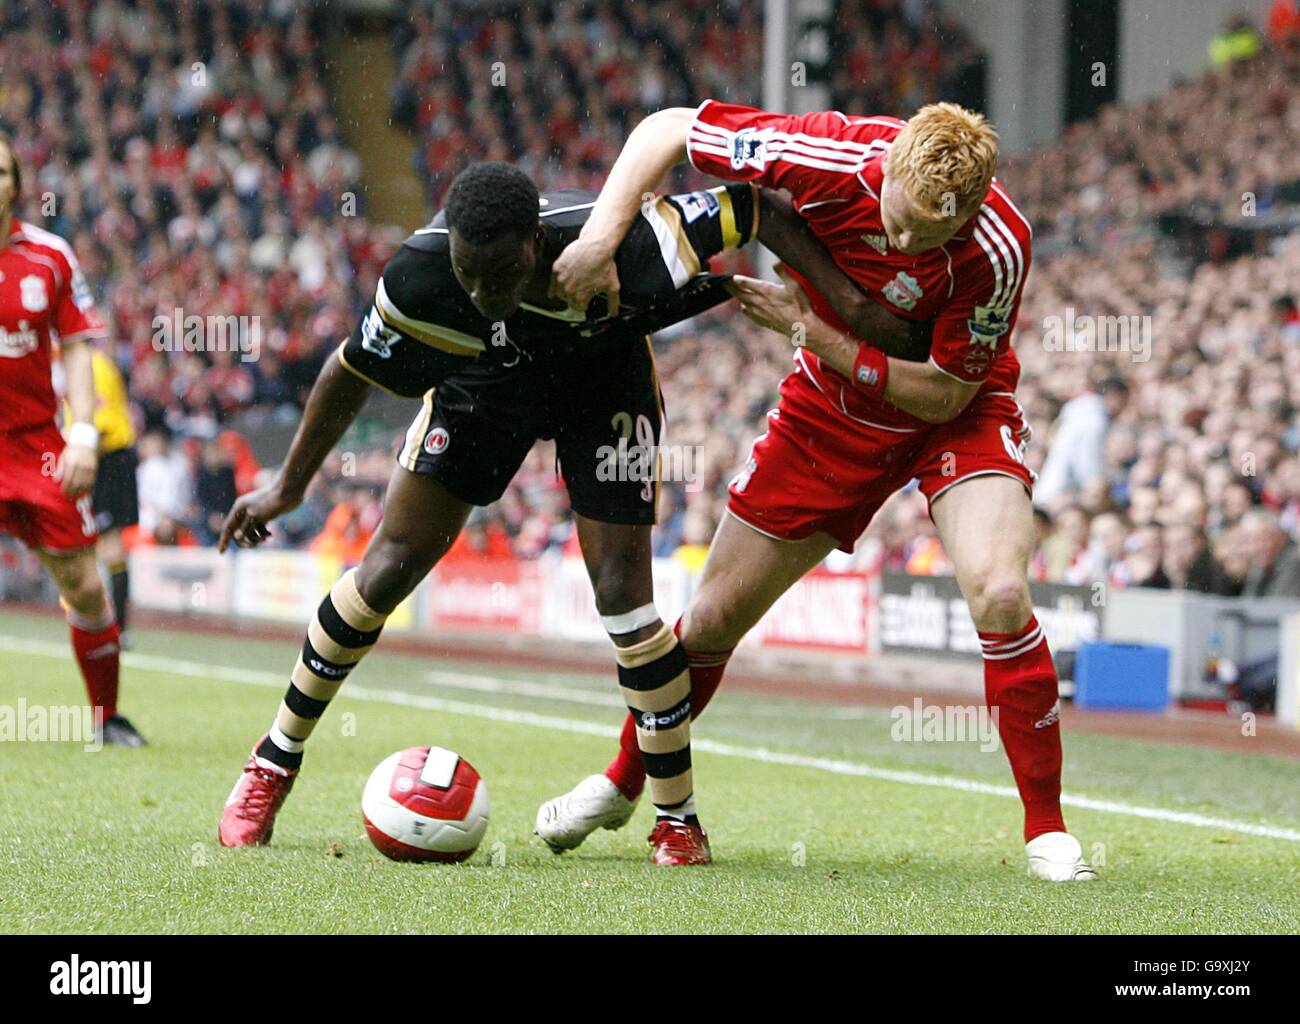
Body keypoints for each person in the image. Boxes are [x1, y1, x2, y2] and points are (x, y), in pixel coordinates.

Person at [216, 161, 926, 865]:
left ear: (535, 244)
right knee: (385, 572)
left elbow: (756, 205)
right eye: (469, 273)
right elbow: (350, 368)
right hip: (482, 385)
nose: (481, 290)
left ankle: (677, 821)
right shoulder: (421, 277)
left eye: (499, 273)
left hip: (601, 377)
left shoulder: (629, 245)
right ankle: (273, 763)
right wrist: (288, 486)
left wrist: (847, 304)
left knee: (624, 599)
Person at [547, 99, 1098, 881]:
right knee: (707, 621)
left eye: (927, 235)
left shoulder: (1000, 246)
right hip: (831, 416)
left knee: (1002, 594)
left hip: (953, 413)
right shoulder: (830, 155)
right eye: (899, 218)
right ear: (891, 166)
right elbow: (665, 128)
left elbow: (941, 395)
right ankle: (621, 783)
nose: (904, 242)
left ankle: (1047, 830)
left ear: (972, 209)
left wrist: (819, 334)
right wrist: (601, 238)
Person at [0, 133, 144, 746]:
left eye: (1, 171)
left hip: (37, 445)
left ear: (16, 183)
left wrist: (83, 435)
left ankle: (106, 718)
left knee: (83, 582)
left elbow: (79, 346)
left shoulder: (50, 257)